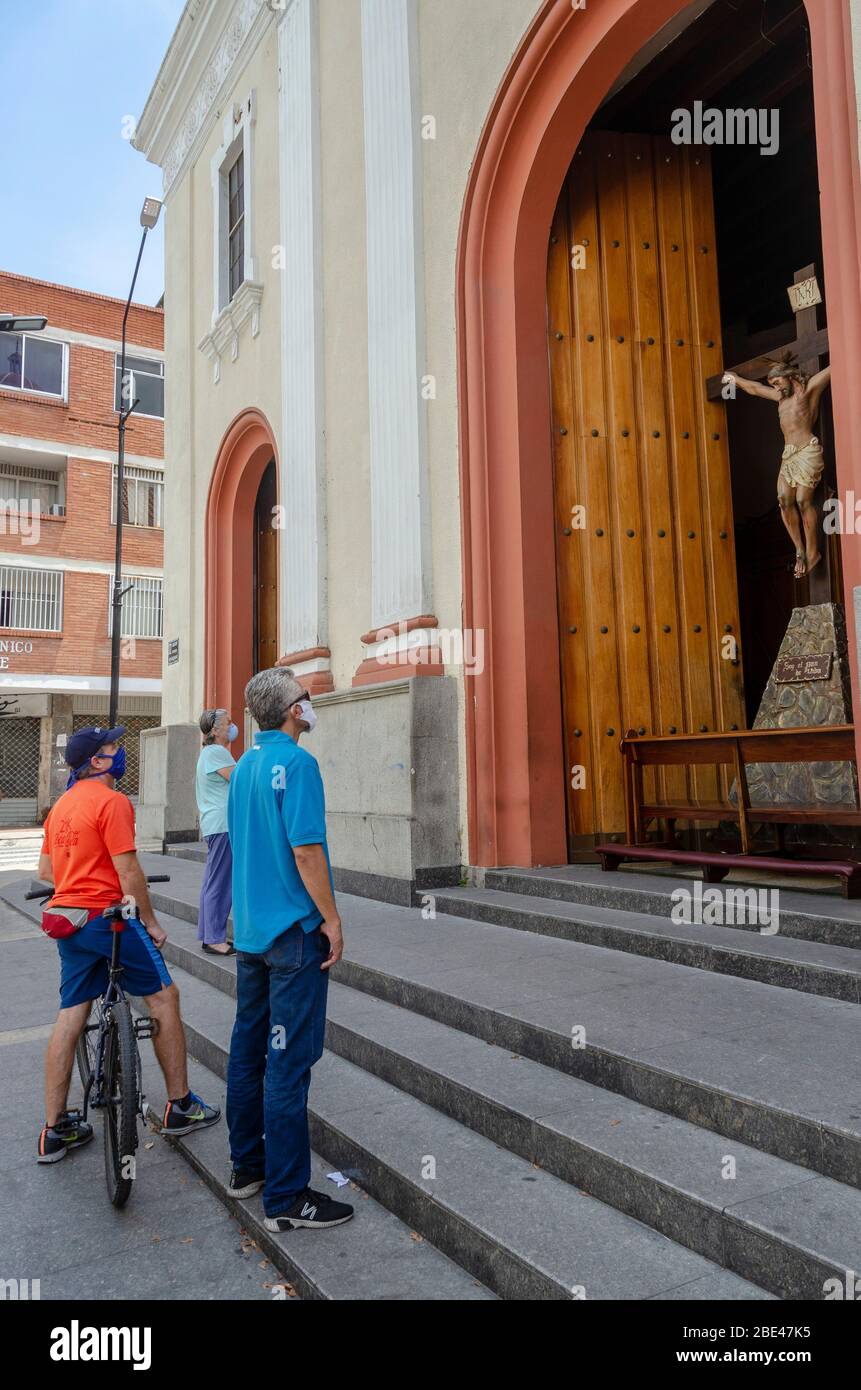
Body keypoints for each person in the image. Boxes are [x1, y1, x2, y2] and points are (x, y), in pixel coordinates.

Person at [36, 726, 221, 1164]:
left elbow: (47, 871)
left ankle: (53, 1129)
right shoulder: (112, 802)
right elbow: (129, 872)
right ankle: (180, 1105)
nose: (119, 753)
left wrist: (78, 880)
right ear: (97, 763)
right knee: (164, 998)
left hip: (68, 918)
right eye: (112, 749)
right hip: (106, 916)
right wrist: (152, 922)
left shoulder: (61, 807)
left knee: (71, 1015)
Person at [225, 668, 352, 1232]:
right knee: (289, 1063)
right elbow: (306, 852)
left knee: (249, 1052)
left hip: (252, 931)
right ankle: (287, 1197)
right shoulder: (298, 765)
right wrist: (331, 917)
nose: (311, 699)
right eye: (305, 693)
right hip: (292, 935)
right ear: (292, 710)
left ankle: (246, 1168)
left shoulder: (245, 765)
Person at [722, 353, 832, 579]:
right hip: (788, 455)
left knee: (803, 501)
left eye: (777, 382)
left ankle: (812, 553)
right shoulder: (779, 398)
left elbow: (833, 369)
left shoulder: (809, 389)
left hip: (807, 451)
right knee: (783, 501)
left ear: (789, 377)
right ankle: (799, 549)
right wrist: (734, 379)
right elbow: (753, 388)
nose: (775, 387)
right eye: (772, 384)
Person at [195, 708, 237, 956]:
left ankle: (209, 934)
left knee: (213, 881)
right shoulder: (217, 753)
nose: (233, 727)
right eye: (228, 723)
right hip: (223, 825)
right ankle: (214, 938)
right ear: (215, 730)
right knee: (220, 883)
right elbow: (239, 779)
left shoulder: (210, 753)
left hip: (215, 824)